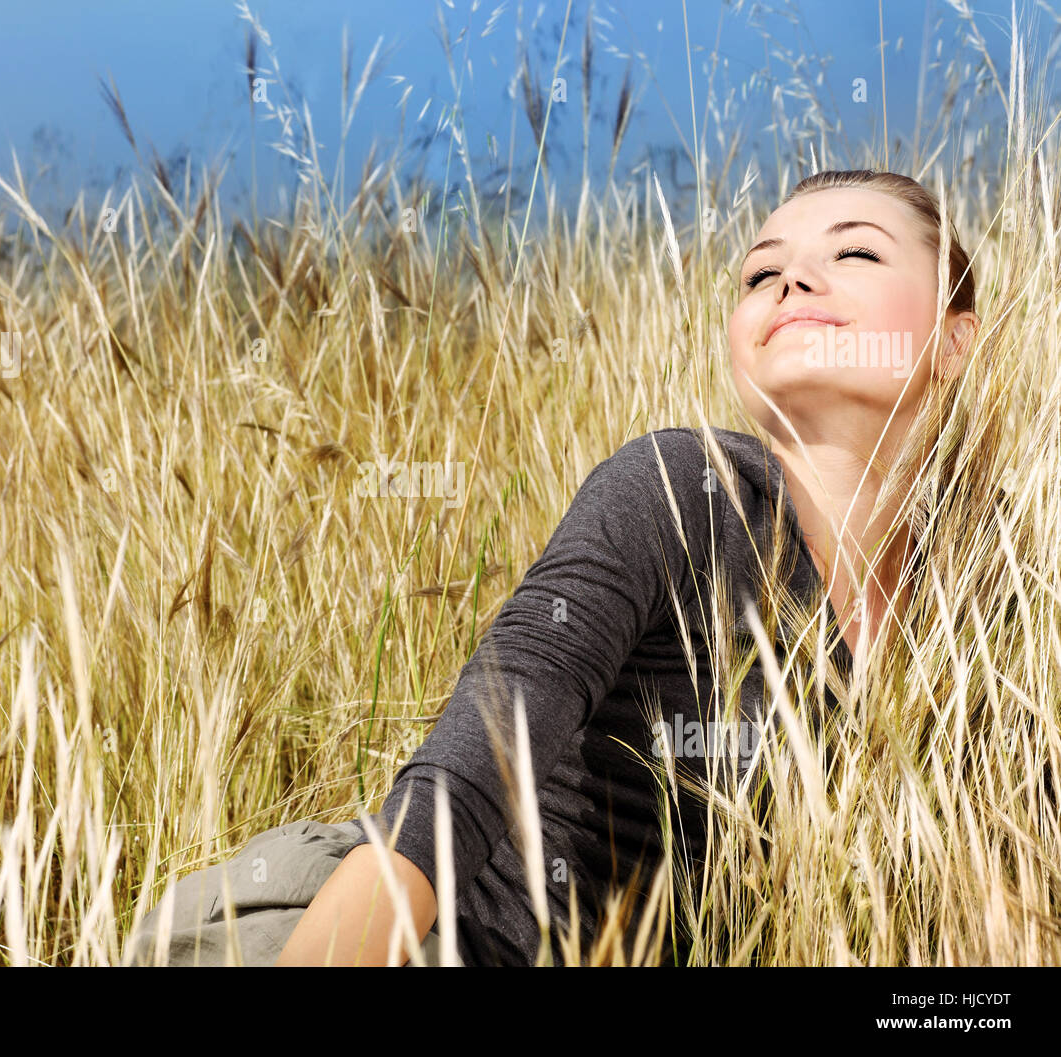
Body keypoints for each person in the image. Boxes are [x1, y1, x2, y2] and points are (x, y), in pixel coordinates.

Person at [126, 169, 979, 967]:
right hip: (398, 931)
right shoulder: (683, 490)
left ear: (955, 340)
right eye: (762, 274)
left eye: (855, 251)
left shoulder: (982, 594)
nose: (791, 282)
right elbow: (477, 758)